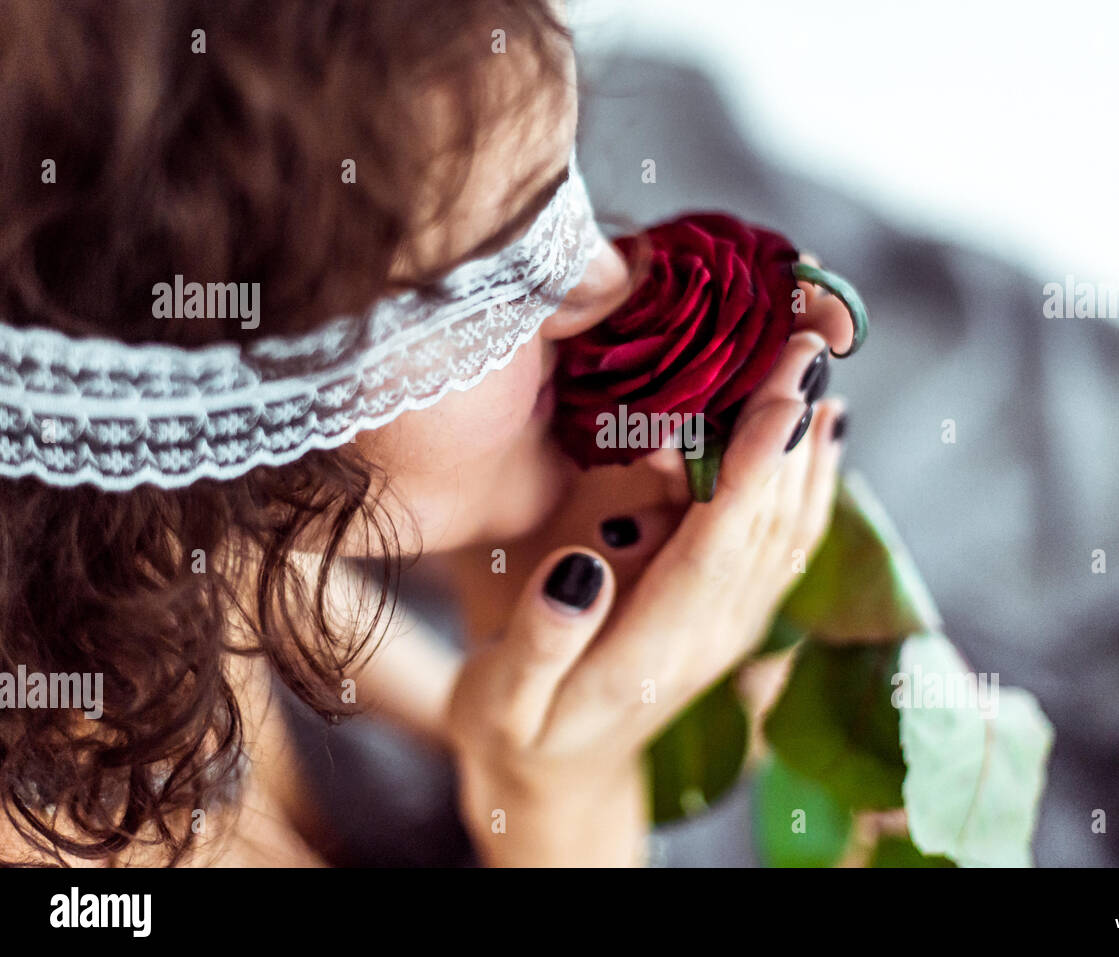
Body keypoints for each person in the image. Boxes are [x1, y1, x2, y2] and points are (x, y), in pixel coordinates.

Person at [0, 0, 854, 866]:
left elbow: (458, 715)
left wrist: (544, 666)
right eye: (491, 271)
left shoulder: (197, 553)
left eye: (563, 192)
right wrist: (561, 800)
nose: (610, 277)